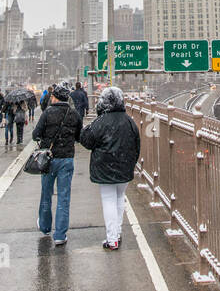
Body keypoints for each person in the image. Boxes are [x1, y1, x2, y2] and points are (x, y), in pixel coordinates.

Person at [79, 86, 141, 250]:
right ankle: (117, 233)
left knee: (108, 201)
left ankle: (112, 238)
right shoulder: (129, 121)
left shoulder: (100, 122)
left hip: (105, 167)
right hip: (124, 166)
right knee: (120, 198)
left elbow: (85, 140)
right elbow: (137, 144)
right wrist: (131, 162)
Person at [32, 84, 83, 246]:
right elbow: (79, 135)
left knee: (46, 194)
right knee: (63, 197)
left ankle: (46, 226)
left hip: (49, 158)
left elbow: (36, 134)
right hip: (67, 158)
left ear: (55, 97)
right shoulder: (73, 114)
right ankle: (60, 234)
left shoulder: (48, 112)